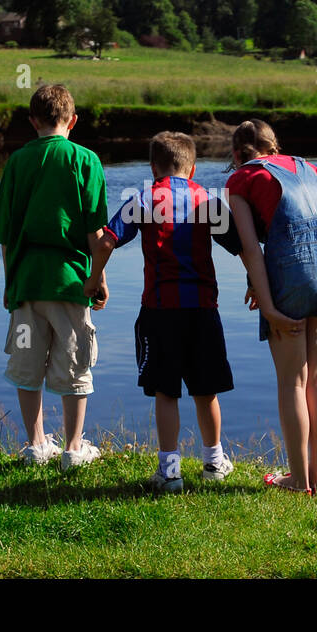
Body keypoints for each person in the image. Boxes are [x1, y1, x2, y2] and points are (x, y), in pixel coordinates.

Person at [83, 131, 241, 492]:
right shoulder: (207, 199)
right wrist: (256, 283)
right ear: (193, 166)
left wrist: (93, 280)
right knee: (206, 390)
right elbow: (241, 244)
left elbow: (107, 239)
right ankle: (214, 462)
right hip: (203, 309)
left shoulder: (144, 198)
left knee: (166, 392)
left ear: (153, 167)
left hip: (160, 310)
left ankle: (170, 471)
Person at [225, 119, 317, 494]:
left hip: (293, 277)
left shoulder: (240, 180)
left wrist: (268, 306)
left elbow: (251, 247)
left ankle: (297, 480)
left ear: (237, 155)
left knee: (292, 381)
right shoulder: (310, 169)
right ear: (275, 147)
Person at [0, 84, 109, 471]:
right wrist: (99, 278)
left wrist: (9, 284)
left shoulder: (17, 162)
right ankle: (73, 448)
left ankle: (36, 444)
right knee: (73, 364)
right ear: (72, 120)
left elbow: (6, 235)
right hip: (70, 284)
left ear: (32, 121)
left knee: (28, 363)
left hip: (25, 285)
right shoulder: (86, 160)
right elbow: (98, 236)